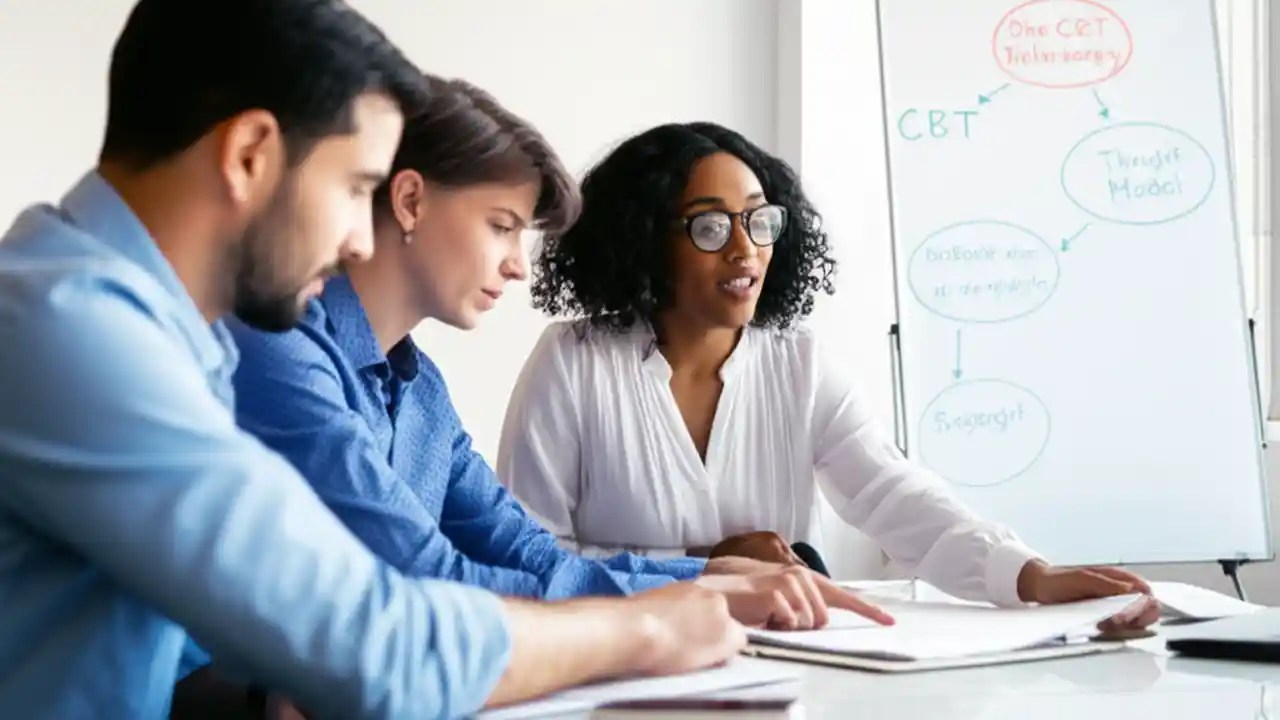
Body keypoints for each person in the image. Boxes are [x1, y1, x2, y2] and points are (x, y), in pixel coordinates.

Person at [0, 6, 747, 718]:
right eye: (357, 188)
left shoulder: (149, 330)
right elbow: (378, 641)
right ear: (250, 155)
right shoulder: (70, 331)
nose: (361, 240)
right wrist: (645, 629)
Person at [227, 75, 890, 632]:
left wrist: (712, 577)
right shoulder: (282, 350)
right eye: (501, 227)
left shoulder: (421, 390)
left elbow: (533, 557)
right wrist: (702, 594)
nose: (518, 265)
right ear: (409, 201)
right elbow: (426, 574)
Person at [497, 121, 1161, 627]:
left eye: (759, 220)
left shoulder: (800, 364)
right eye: (710, 227)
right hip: (617, 667)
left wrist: (1029, 577)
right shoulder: (573, 364)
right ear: (644, 239)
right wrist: (709, 566)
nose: (745, 248)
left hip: (784, 664)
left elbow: (894, 496)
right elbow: (526, 561)